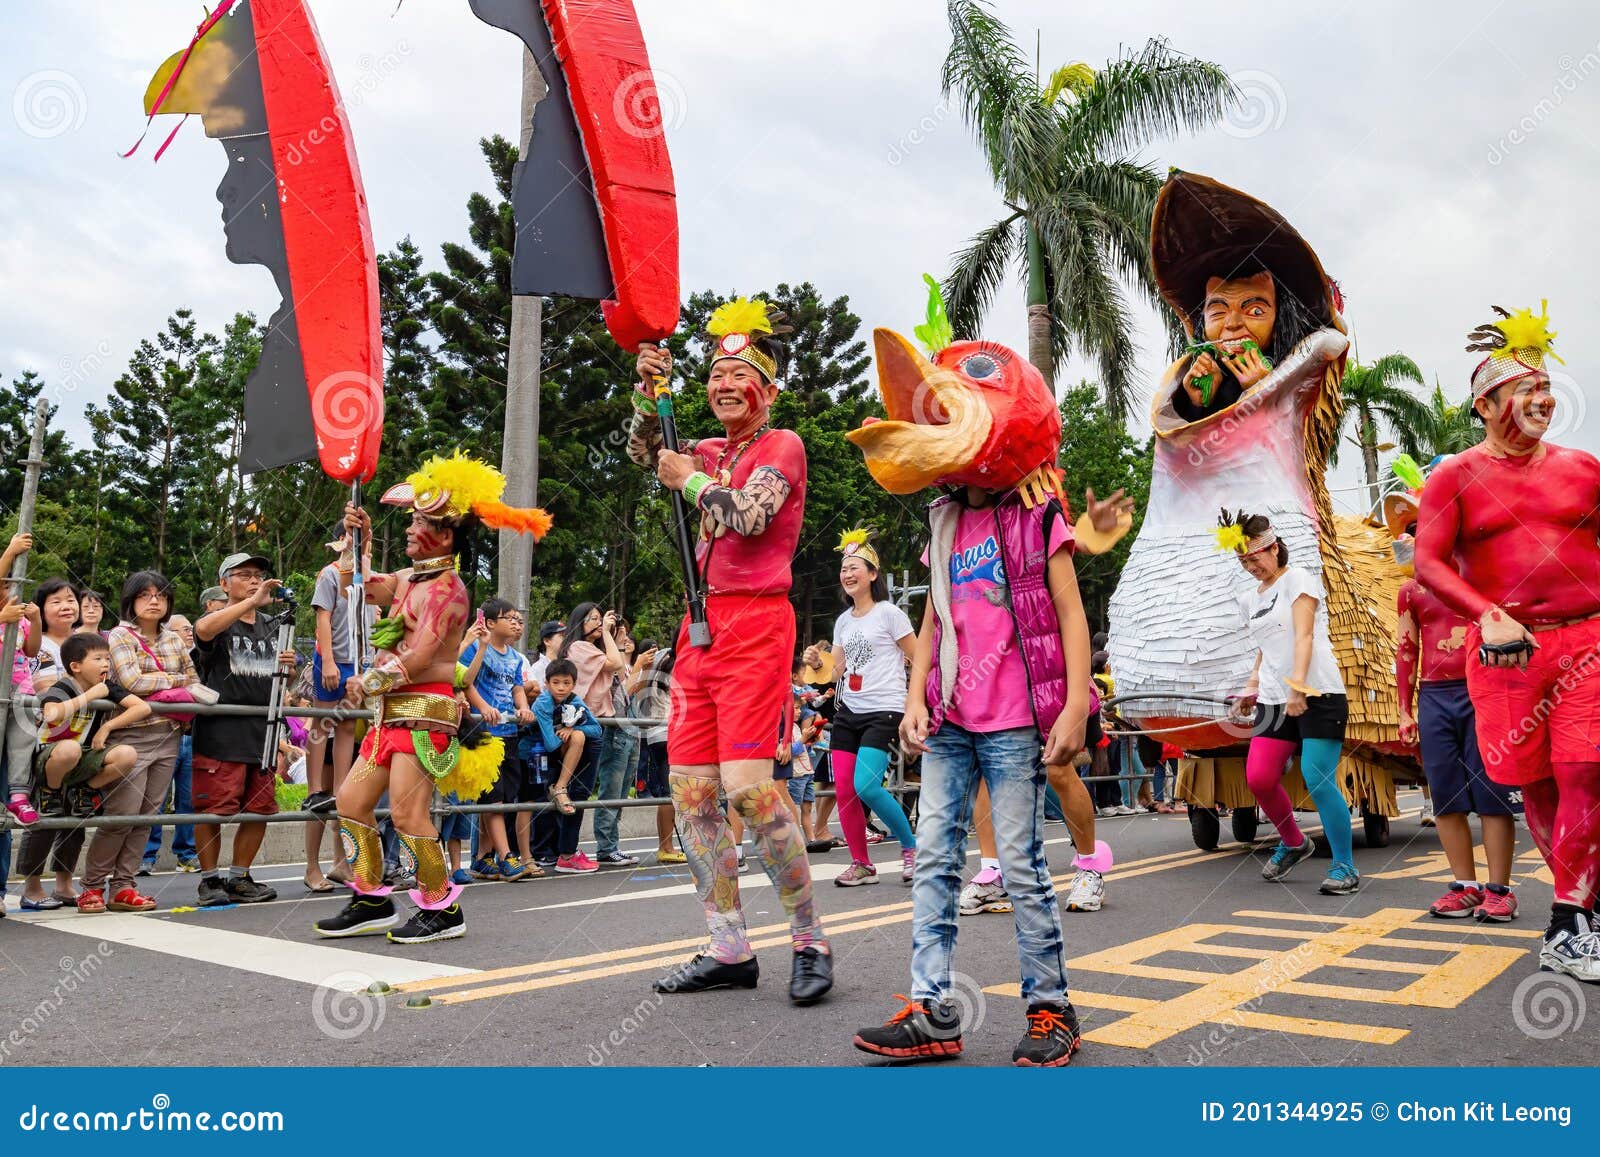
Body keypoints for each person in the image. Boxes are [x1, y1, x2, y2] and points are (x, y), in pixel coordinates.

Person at [848, 304, 1098, 1065]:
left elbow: (1070, 613)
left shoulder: (1038, 516)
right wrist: (918, 696)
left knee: (1019, 864)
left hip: (1018, 722)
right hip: (953, 720)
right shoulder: (944, 522)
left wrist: (1077, 709)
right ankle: (933, 1010)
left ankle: (1051, 1008)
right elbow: (933, 622)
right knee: (934, 860)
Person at [630, 296, 831, 1004]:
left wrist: (690, 478)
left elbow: (747, 517)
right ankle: (728, 946)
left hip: (757, 627)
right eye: (714, 371)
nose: (722, 383)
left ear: (767, 389)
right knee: (691, 793)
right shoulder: (707, 451)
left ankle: (809, 938)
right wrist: (645, 389)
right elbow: (646, 454)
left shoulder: (784, 446)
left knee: (748, 787)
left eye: (739, 372)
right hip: (698, 628)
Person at [1416, 303, 1600, 980]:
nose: (1544, 399)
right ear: (1487, 402)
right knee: (1539, 783)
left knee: (1586, 768)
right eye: (1528, 388)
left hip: (1587, 639)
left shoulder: (1585, 468)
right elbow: (1428, 563)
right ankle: (1583, 900)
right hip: (1506, 654)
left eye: (1547, 386)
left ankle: (1568, 920)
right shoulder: (1453, 476)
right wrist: (1486, 612)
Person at [315, 452, 549, 943]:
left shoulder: (450, 590)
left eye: (417, 522)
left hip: (426, 712)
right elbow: (353, 583)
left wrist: (372, 681)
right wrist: (360, 538)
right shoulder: (405, 579)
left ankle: (442, 908)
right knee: (352, 800)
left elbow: (421, 656)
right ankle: (370, 896)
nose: (409, 529)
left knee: (406, 813)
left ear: (443, 535)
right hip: (389, 716)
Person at [1390, 488, 1520, 922]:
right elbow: (1406, 650)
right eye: (1412, 534)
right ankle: (1464, 886)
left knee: (1492, 794)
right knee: (1445, 795)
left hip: (1485, 691)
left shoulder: (1482, 579)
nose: (1415, 541)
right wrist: (1405, 710)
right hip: (1435, 697)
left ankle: (1500, 890)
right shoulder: (1410, 591)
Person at [1219, 510, 1358, 896]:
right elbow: (1266, 648)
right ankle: (1295, 842)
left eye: (1255, 557)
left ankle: (1344, 866)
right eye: (1243, 560)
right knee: (1259, 779)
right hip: (1273, 700)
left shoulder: (1298, 578)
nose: (1250, 566)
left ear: (1274, 548)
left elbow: (1303, 636)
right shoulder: (1249, 598)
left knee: (1317, 778)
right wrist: (1251, 686)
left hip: (1317, 694)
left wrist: (1297, 687)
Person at [189, 553, 294, 906]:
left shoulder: (274, 623)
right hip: (220, 730)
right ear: (224, 583)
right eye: (244, 575)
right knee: (212, 809)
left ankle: (239, 877)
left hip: (262, 730)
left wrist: (290, 669)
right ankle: (208, 880)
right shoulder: (216, 620)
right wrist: (250, 601)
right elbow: (202, 631)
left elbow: (284, 678)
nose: (254, 580)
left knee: (261, 808)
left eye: (258, 575)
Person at [90, 572, 199, 908]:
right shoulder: (120, 636)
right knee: (123, 814)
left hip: (168, 734)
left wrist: (168, 683)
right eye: (146, 595)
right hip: (130, 735)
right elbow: (132, 682)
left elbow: (194, 682)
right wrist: (174, 682)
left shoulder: (175, 638)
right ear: (131, 599)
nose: (155, 601)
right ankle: (92, 887)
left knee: (147, 816)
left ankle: (124, 885)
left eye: (162, 595)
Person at [32, 632, 150, 912]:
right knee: (68, 753)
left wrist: (108, 727)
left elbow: (141, 707)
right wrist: (89, 696)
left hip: (81, 760)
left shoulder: (106, 686)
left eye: (107, 658)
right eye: (98, 658)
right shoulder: (64, 685)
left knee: (126, 753)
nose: (105, 663)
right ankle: (52, 790)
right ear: (75, 665)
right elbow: (51, 714)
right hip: (50, 757)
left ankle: (86, 789)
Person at [826, 529, 918, 887]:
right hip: (848, 711)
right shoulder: (843, 621)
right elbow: (836, 670)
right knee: (846, 791)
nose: (848, 574)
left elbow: (917, 657)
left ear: (873, 574)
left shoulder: (889, 614)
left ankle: (911, 848)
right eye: (844, 568)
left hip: (884, 709)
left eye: (855, 567)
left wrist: (914, 704)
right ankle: (861, 863)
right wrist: (818, 664)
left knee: (866, 785)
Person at [13, 578, 86, 908]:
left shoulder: (87, 641)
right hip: (45, 739)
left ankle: (65, 882)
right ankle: (31, 886)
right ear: (40, 609)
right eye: (56, 601)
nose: (67, 605)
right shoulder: (39, 645)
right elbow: (45, 689)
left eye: (71, 599)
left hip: (83, 735)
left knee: (76, 810)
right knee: (44, 809)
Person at [303, 522, 366, 891]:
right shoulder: (330, 575)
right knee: (320, 729)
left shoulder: (367, 577)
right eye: (352, 539)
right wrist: (327, 661)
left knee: (345, 734)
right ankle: (312, 866)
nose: (357, 545)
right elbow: (322, 617)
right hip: (333, 660)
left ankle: (341, 862)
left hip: (359, 665)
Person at [461, 598, 538, 882]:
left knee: (503, 796)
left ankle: (483, 857)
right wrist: (482, 708)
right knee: (493, 797)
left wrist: (524, 708)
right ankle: (506, 856)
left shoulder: (516, 657)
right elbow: (466, 682)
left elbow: (517, 687)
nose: (515, 623)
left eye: (518, 618)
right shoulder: (473, 649)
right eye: (509, 617)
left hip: (509, 732)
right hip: (484, 732)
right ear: (490, 623)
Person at [559, 602, 637, 868]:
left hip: (596, 723)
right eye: (592, 619)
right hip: (585, 723)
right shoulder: (578, 648)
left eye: (599, 619)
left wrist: (610, 634)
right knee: (579, 790)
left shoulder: (591, 649)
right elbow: (616, 663)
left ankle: (570, 851)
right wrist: (605, 631)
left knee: (584, 790)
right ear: (578, 622)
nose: (598, 623)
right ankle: (567, 852)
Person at [141, 613, 200, 874]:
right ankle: (146, 856)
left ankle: (186, 854)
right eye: (182, 629)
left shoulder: (198, 657)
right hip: (162, 733)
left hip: (192, 735)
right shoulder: (156, 655)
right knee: (155, 798)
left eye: (190, 628)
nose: (189, 632)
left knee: (188, 799)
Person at [532, 658, 602, 873]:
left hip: (577, 758)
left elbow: (597, 729)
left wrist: (572, 730)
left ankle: (567, 853)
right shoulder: (543, 704)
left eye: (566, 683)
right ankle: (562, 854)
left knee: (580, 736)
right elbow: (551, 744)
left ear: (573, 684)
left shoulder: (575, 701)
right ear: (546, 683)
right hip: (545, 758)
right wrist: (568, 730)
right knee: (537, 805)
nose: (561, 688)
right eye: (556, 682)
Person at [0, 533, 40, 827]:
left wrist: (35, 621)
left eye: (9, 586)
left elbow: (31, 649)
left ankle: (18, 796)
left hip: (22, 690)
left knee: (23, 741)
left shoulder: (20, 618)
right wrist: (11, 552)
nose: (5, 590)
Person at [632, 644, 682, 864]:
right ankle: (666, 847)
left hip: (655, 733)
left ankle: (667, 846)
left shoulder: (656, 659)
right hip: (671, 732)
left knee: (667, 791)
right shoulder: (680, 661)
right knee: (670, 793)